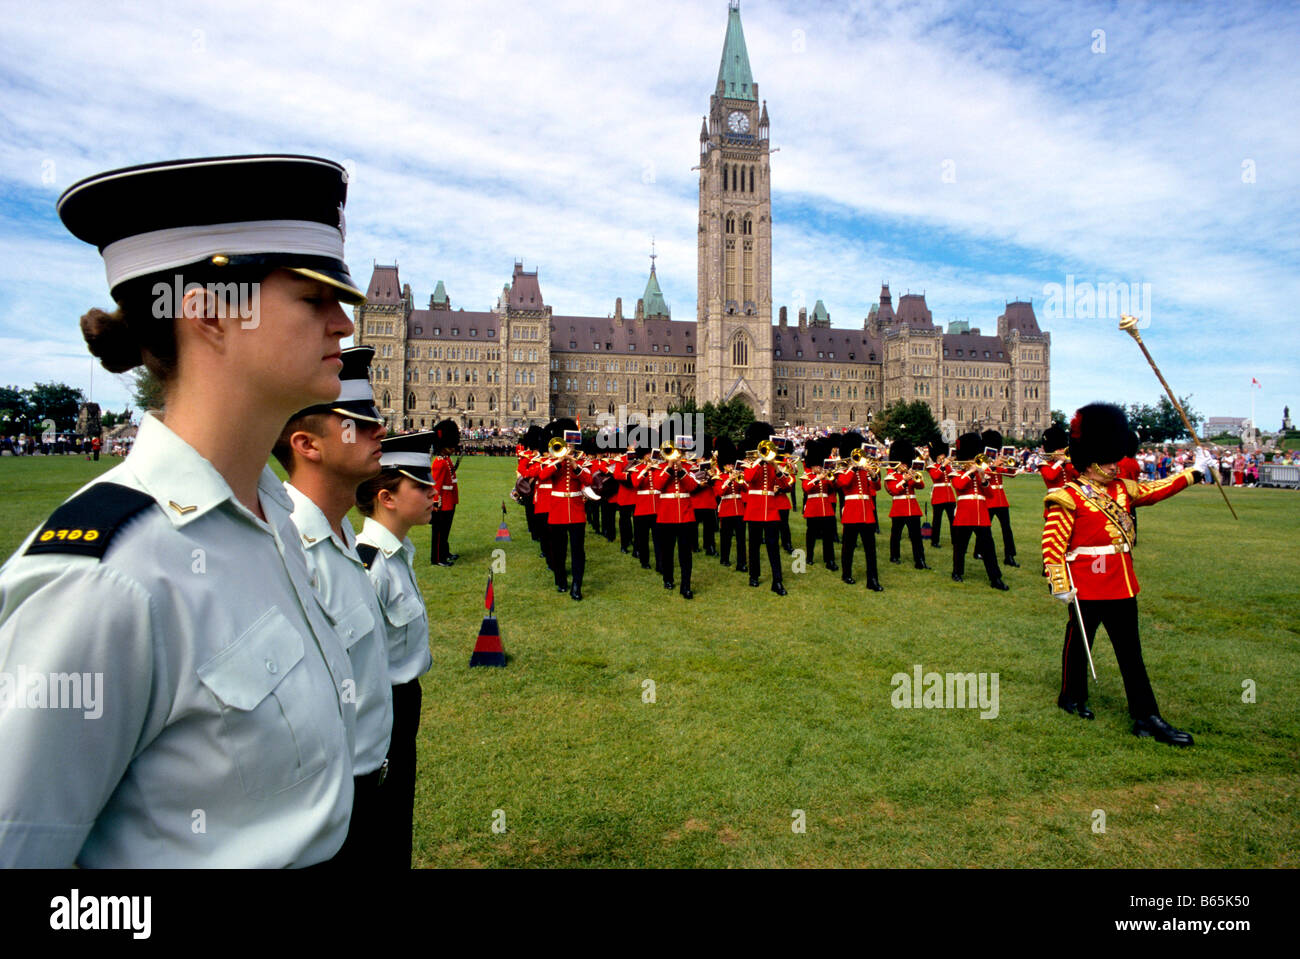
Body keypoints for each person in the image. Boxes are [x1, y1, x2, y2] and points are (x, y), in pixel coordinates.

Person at [0, 154, 365, 867]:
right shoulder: (109, 579)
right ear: (209, 315)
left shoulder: (271, 521)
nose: (343, 323)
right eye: (312, 297)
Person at [274, 345, 393, 867]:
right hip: (324, 811)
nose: (380, 433)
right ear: (307, 445)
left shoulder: (341, 534)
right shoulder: (288, 549)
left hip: (367, 786)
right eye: (358, 424)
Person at [1043, 403, 1214, 745]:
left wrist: (1194, 472)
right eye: (1108, 459)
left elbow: (1157, 489)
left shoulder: (1123, 489)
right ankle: (1071, 696)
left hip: (1121, 582)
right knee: (1079, 645)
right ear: (1089, 460)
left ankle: (1146, 716)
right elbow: (1052, 546)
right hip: (1087, 584)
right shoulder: (1068, 496)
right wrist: (1059, 584)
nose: (1114, 464)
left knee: (1131, 654)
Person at [355, 431, 437, 865]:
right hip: (379, 706)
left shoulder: (398, 552)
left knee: (398, 819)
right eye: (420, 486)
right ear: (387, 497)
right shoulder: (369, 565)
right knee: (381, 829)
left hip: (404, 702)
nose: (432, 492)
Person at [538, 420, 591, 600]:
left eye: (571, 442)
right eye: (566, 442)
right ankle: (560, 579)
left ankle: (577, 585)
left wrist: (575, 465)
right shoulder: (554, 459)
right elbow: (543, 475)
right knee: (559, 549)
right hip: (558, 510)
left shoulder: (582, 459)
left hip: (576, 510)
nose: (569, 446)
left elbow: (589, 479)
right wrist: (560, 460)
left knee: (578, 550)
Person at [950, 432, 1008, 590]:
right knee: (960, 547)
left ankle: (995, 578)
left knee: (989, 548)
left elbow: (990, 495)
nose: (972, 461)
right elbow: (959, 486)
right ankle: (957, 572)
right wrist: (970, 473)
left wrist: (982, 478)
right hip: (964, 514)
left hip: (981, 514)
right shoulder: (957, 471)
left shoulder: (982, 471)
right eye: (970, 458)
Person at [742, 422, 791, 595]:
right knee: (754, 545)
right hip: (755, 509)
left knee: (773, 546)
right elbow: (749, 478)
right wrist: (758, 460)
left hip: (770, 509)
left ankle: (777, 581)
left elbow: (785, 484)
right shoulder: (750, 463)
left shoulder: (772, 465)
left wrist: (776, 467)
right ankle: (753, 575)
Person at [835, 444, 883, 591]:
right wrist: (853, 468)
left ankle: (872, 579)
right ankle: (846, 573)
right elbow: (843, 483)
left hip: (867, 512)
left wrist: (873, 475)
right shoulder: (842, 471)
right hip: (851, 512)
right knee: (848, 547)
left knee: (870, 549)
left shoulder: (866, 471)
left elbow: (877, 487)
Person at [652, 445, 698, 598]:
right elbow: (658, 485)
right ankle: (668, 578)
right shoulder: (660, 468)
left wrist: (681, 469)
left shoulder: (688, 468)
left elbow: (692, 486)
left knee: (685, 553)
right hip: (666, 515)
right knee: (667, 551)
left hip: (685, 515)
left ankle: (686, 586)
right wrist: (670, 467)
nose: (676, 456)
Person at [885, 440, 929, 570]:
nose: (904, 466)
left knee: (916, 537)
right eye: (902, 464)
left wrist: (914, 476)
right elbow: (894, 491)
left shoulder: (910, 473)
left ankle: (920, 560)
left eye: (905, 463)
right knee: (896, 534)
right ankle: (894, 556)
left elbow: (921, 486)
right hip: (899, 508)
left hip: (913, 508)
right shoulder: (891, 475)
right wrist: (904, 480)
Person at [800, 437, 838, 571]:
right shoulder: (807, 475)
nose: (819, 467)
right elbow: (806, 488)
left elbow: (833, 488)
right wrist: (817, 478)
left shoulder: (825, 474)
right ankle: (809, 556)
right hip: (813, 507)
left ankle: (830, 560)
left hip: (826, 508)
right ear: (812, 465)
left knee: (828, 535)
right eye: (817, 465)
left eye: (820, 465)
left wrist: (831, 478)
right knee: (811, 534)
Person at [428, 419, 460, 567]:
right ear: (443, 446)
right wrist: (435, 502)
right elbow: (436, 484)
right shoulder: (439, 462)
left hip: (449, 500)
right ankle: (437, 558)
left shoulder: (446, 460)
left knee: (446, 530)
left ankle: (445, 552)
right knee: (439, 532)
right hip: (442, 502)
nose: (453, 449)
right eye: (450, 446)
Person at [925, 442, 955, 548]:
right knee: (937, 520)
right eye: (942, 455)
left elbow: (953, 476)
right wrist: (943, 465)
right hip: (938, 495)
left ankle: (955, 541)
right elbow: (936, 476)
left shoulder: (948, 466)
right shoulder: (932, 467)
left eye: (944, 454)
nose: (944, 456)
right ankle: (934, 541)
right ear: (937, 456)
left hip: (949, 495)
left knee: (953, 520)